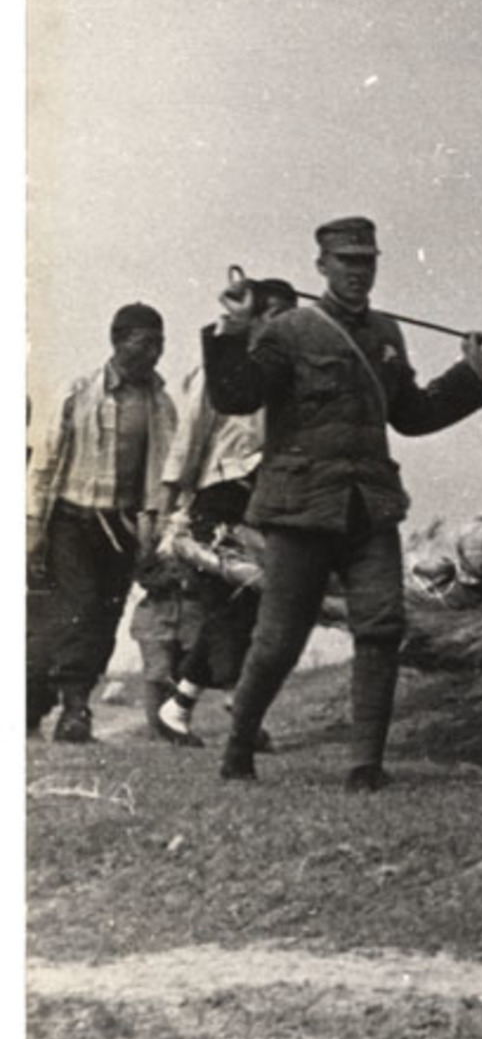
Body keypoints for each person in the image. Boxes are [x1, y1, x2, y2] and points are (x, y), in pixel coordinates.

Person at [203, 217, 482, 790]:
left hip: (369, 509)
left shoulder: (386, 335)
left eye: (367, 261)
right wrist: (234, 330)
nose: (359, 272)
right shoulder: (288, 331)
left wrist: (468, 375)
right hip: (300, 510)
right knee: (279, 640)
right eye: (347, 261)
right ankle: (239, 744)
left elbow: (410, 414)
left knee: (383, 627)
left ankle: (366, 765)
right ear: (322, 266)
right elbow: (236, 396)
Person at [140, 278, 298, 747]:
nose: (284, 326)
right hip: (219, 497)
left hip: (265, 498)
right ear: (254, 317)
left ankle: (177, 708)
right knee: (231, 609)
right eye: (274, 316)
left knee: (244, 605)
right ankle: (243, 714)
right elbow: (189, 435)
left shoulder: (284, 372)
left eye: (292, 317)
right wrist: (169, 504)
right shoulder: (222, 370)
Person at [26, 303, 178, 742]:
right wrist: (33, 528)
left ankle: (70, 703)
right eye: (145, 341)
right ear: (118, 339)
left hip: (125, 527)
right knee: (78, 607)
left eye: (160, 342)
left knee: (104, 618)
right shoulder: (78, 392)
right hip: (72, 522)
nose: (154, 351)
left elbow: (164, 473)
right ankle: (72, 708)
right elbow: (46, 462)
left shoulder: (160, 403)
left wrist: (157, 531)